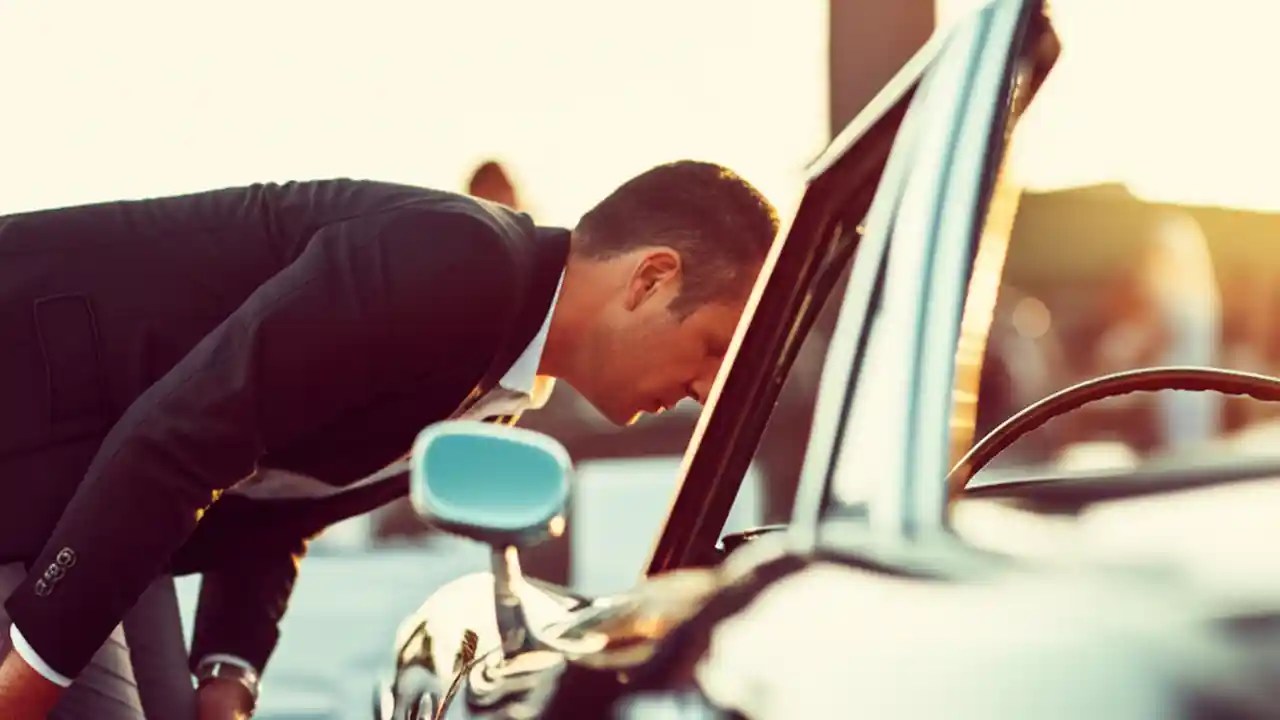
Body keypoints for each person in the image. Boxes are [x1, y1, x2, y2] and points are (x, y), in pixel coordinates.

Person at [0, 160, 778, 719]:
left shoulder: (499, 392)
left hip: (100, 503)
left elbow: (276, 491)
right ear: (650, 279)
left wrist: (227, 672)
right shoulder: (458, 262)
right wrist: (24, 688)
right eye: (717, 347)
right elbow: (187, 435)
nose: (710, 390)